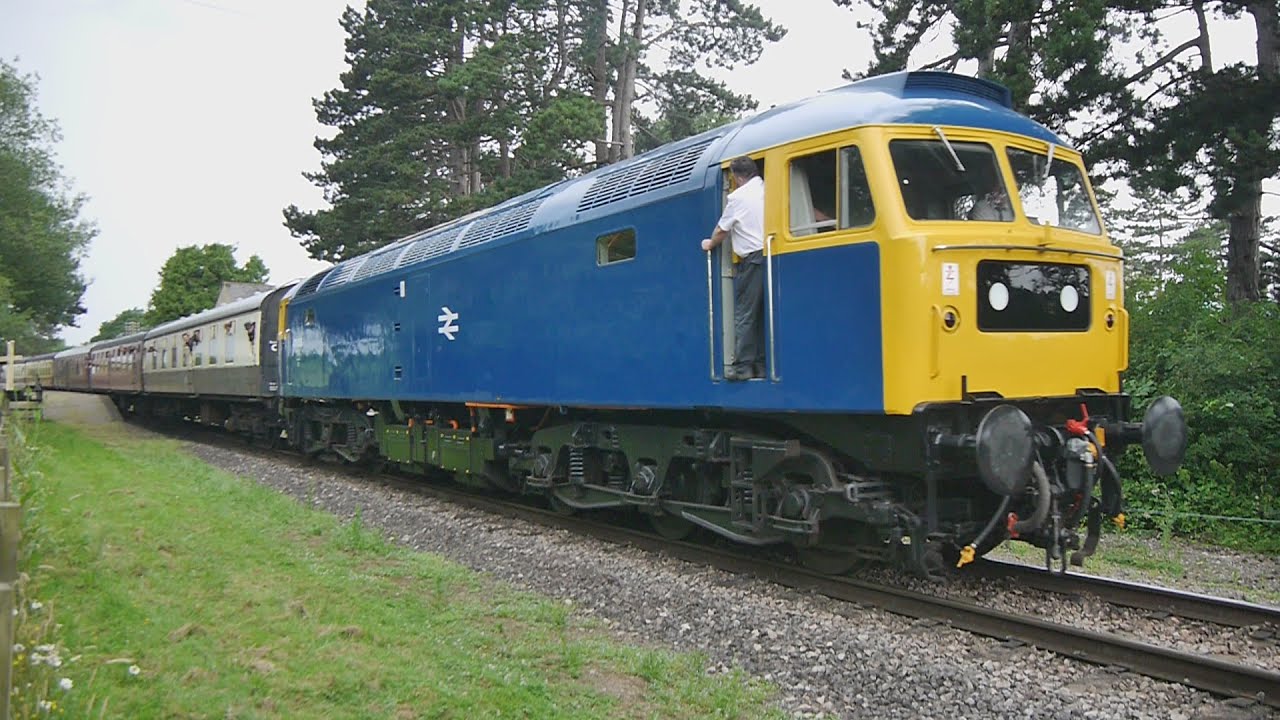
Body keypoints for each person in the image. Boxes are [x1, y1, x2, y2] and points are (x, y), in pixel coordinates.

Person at [702, 156, 765, 381]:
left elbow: (721, 230)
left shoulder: (737, 198)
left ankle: (744, 367)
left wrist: (709, 244)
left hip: (752, 260)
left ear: (737, 177)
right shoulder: (767, 188)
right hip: (771, 256)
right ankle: (761, 364)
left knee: (746, 313)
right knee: (761, 313)